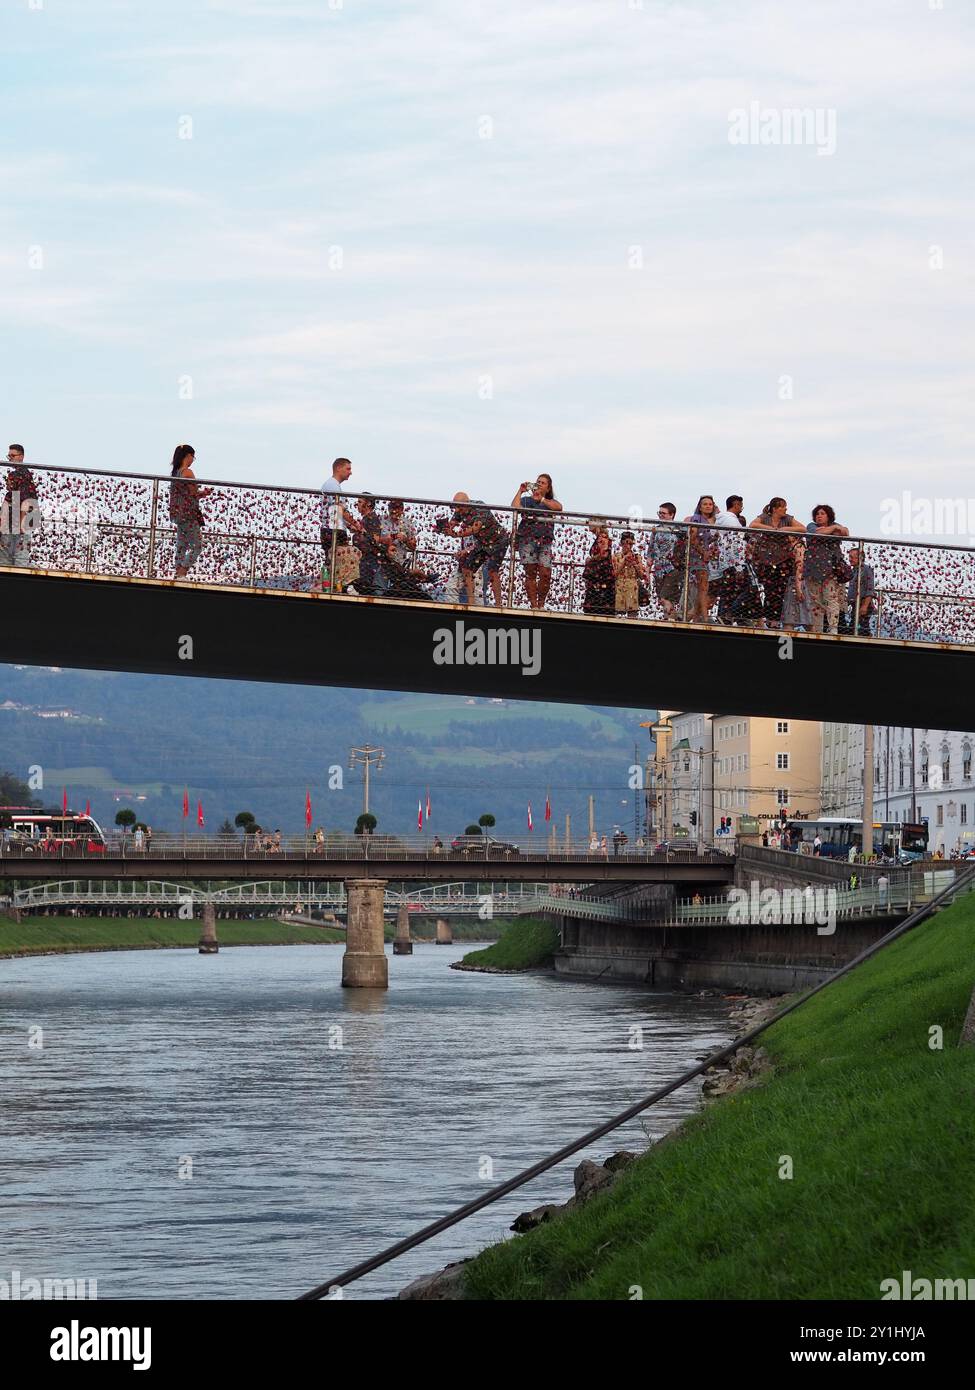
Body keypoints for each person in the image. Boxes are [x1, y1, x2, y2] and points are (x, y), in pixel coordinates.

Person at [747, 498, 805, 629]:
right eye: (783, 507)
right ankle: (768, 619)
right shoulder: (764, 517)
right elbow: (753, 525)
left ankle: (776, 620)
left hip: (783, 561)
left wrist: (785, 529)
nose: (785, 509)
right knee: (769, 589)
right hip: (765, 561)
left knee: (780, 591)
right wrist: (772, 529)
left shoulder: (788, 519)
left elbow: (803, 529)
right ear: (774, 509)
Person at [512, 474, 562, 609]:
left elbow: (559, 507)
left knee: (545, 573)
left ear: (548, 487)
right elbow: (514, 506)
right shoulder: (527, 500)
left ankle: (541, 604)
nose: (539, 484)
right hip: (527, 539)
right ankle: (534, 605)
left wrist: (542, 499)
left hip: (545, 541)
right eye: (538, 482)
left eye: (543, 483)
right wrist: (520, 491)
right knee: (531, 572)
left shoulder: (550, 502)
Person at [804, 505, 850, 635]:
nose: (819, 516)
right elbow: (817, 533)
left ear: (829, 515)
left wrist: (833, 528)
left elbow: (845, 532)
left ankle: (833, 628)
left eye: (822, 513)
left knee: (831, 598)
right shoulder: (811, 526)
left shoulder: (835, 525)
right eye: (817, 513)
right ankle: (817, 629)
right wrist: (833, 530)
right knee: (815, 601)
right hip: (813, 569)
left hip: (831, 570)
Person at [169, 445, 212, 579]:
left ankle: (177, 573)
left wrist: (200, 494)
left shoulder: (176, 473)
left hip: (178, 514)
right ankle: (182, 572)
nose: (193, 459)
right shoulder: (188, 472)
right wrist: (202, 493)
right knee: (197, 545)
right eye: (193, 456)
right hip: (189, 514)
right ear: (188, 456)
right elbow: (193, 492)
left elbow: (186, 494)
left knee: (182, 544)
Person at [683, 495, 722, 623]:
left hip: (708, 558)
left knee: (703, 587)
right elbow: (692, 538)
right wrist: (703, 552)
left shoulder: (714, 521)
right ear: (700, 507)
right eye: (705, 504)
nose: (708, 506)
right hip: (696, 556)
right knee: (703, 587)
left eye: (710, 504)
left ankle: (694, 617)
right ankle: (704, 617)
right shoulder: (696, 519)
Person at [320, 457, 356, 591]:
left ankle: (337, 586)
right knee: (338, 560)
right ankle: (335, 587)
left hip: (335, 529)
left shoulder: (334, 485)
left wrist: (349, 525)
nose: (350, 472)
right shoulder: (332, 485)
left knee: (339, 561)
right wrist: (355, 524)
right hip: (332, 531)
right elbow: (340, 508)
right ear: (338, 468)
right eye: (348, 468)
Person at [2, 446, 39, 568]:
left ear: (21, 456)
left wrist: (22, 521)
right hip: (15, 521)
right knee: (11, 555)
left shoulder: (20, 474)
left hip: (19, 521)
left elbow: (25, 500)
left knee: (14, 556)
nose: (10, 459)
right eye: (9, 456)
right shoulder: (22, 475)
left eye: (13, 456)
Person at [647, 503, 683, 618]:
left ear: (671, 515)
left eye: (663, 513)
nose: (660, 515)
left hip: (673, 568)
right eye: (659, 513)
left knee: (664, 597)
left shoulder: (679, 530)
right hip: (658, 569)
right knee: (666, 600)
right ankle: (673, 620)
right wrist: (648, 571)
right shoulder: (656, 529)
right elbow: (650, 550)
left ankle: (674, 619)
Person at [840, 548, 876, 637]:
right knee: (857, 627)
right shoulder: (854, 570)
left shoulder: (866, 570)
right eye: (849, 557)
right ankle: (867, 636)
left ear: (860, 558)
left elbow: (870, 589)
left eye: (852, 557)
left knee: (858, 628)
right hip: (855, 605)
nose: (850, 559)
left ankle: (867, 638)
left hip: (863, 604)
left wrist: (865, 606)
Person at [613, 531, 648, 617]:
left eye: (631, 544)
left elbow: (641, 576)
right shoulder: (616, 556)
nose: (628, 546)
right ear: (621, 543)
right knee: (618, 614)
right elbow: (615, 573)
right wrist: (624, 559)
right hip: (619, 586)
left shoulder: (637, 557)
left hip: (632, 587)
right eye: (626, 543)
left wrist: (635, 564)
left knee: (632, 614)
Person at [583, 527, 615, 615]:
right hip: (597, 572)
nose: (589, 526)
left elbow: (604, 554)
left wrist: (591, 559)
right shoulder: (600, 538)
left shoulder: (603, 538)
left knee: (601, 596)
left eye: (591, 523)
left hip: (601, 572)